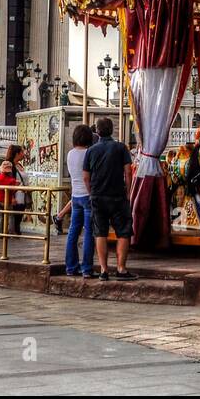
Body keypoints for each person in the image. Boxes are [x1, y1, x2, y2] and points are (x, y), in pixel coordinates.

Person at [83, 116, 137, 280]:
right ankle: (121, 268)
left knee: (100, 233)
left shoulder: (91, 150)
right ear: (112, 129)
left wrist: (91, 192)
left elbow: (86, 176)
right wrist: (128, 192)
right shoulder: (121, 148)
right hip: (117, 196)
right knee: (123, 232)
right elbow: (128, 171)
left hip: (98, 196)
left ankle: (104, 270)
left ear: (97, 131)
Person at [63, 124, 96, 279]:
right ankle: (87, 268)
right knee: (89, 232)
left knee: (73, 231)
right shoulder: (89, 153)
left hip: (75, 196)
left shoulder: (70, 154)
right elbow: (88, 176)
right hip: (87, 195)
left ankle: (71, 266)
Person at [0, 144, 28, 236]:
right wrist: (12, 197)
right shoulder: (9, 167)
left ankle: (13, 233)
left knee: (17, 218)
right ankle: (10, 234)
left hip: (22, 196)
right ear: (17, 153)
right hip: (14, 197)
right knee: (12, 217)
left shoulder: (19, 165)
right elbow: (6, 182)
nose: (24, 154)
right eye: (22, 152)